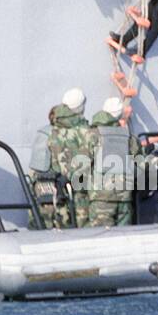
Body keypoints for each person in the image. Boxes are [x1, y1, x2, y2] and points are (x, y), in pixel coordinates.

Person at [86, 97, 140, 226]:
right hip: (124, 197)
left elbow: (80, 166)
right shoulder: (130, 137)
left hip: (100, 197)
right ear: (119, 114)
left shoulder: (91, 135)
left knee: (100, 238)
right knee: (124, 240)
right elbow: (139, 164)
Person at [47, 88, 93, 227]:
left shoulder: (51, 131)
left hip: (57, 186)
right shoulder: (86, 132)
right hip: (82, 188)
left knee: (63, 226)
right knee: (85, 229)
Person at [27, 105, 58, 229]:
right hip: (50, 181)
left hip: (38, 180)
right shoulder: (56, 134)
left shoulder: (42, 132)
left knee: (38, 218)